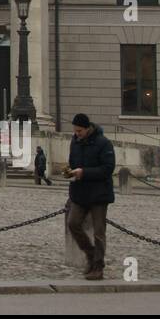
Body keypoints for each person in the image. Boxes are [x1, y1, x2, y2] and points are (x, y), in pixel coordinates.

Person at [65, 113, 116, 280]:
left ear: (88, 128)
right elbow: (73, 162)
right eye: (75, 130)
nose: (77, 134)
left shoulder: (103, 143)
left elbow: (108, 168)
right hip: (80, 192)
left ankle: (98, 266)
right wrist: (70, 172)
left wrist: (84, 172)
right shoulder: (74, 142)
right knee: (73, 223)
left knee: (99, 232)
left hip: (99, 194)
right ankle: (91, 254)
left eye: (79, 131)